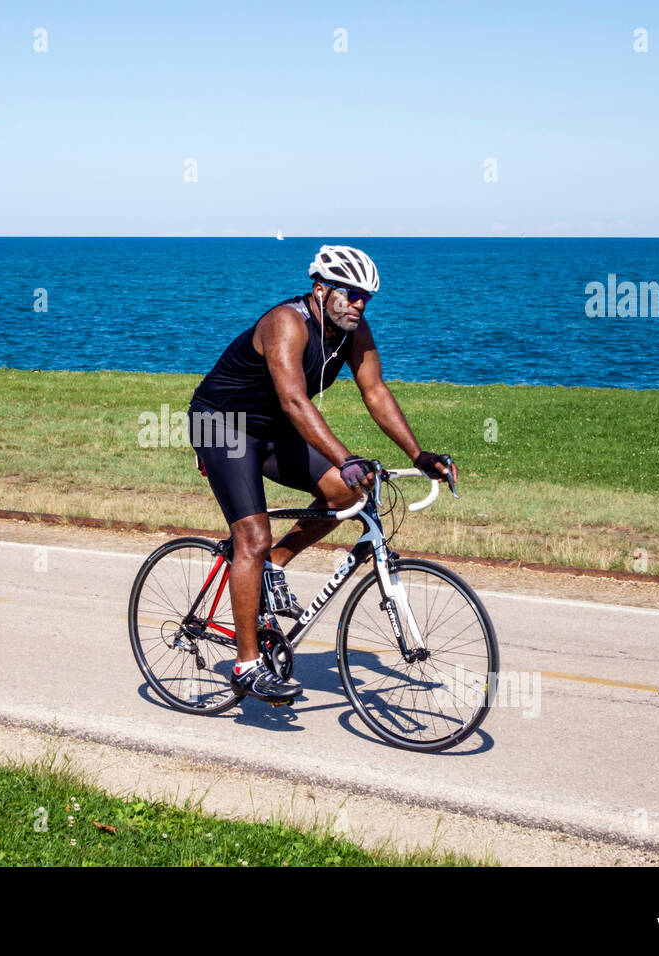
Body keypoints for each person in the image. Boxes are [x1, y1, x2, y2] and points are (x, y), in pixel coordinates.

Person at [188, 245, 457, 704]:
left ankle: (275, 561)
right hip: (222, 425)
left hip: (272, 429)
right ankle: (247, 665)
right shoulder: (286, 324)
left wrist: (416, 454)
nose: (359, 304)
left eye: (366, 297)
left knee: (345, 492)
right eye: (351, 294)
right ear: (321, 290)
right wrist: (346, 455)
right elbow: (295, 400)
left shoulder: (352, 331)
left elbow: (374, 391)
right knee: (251, 536)